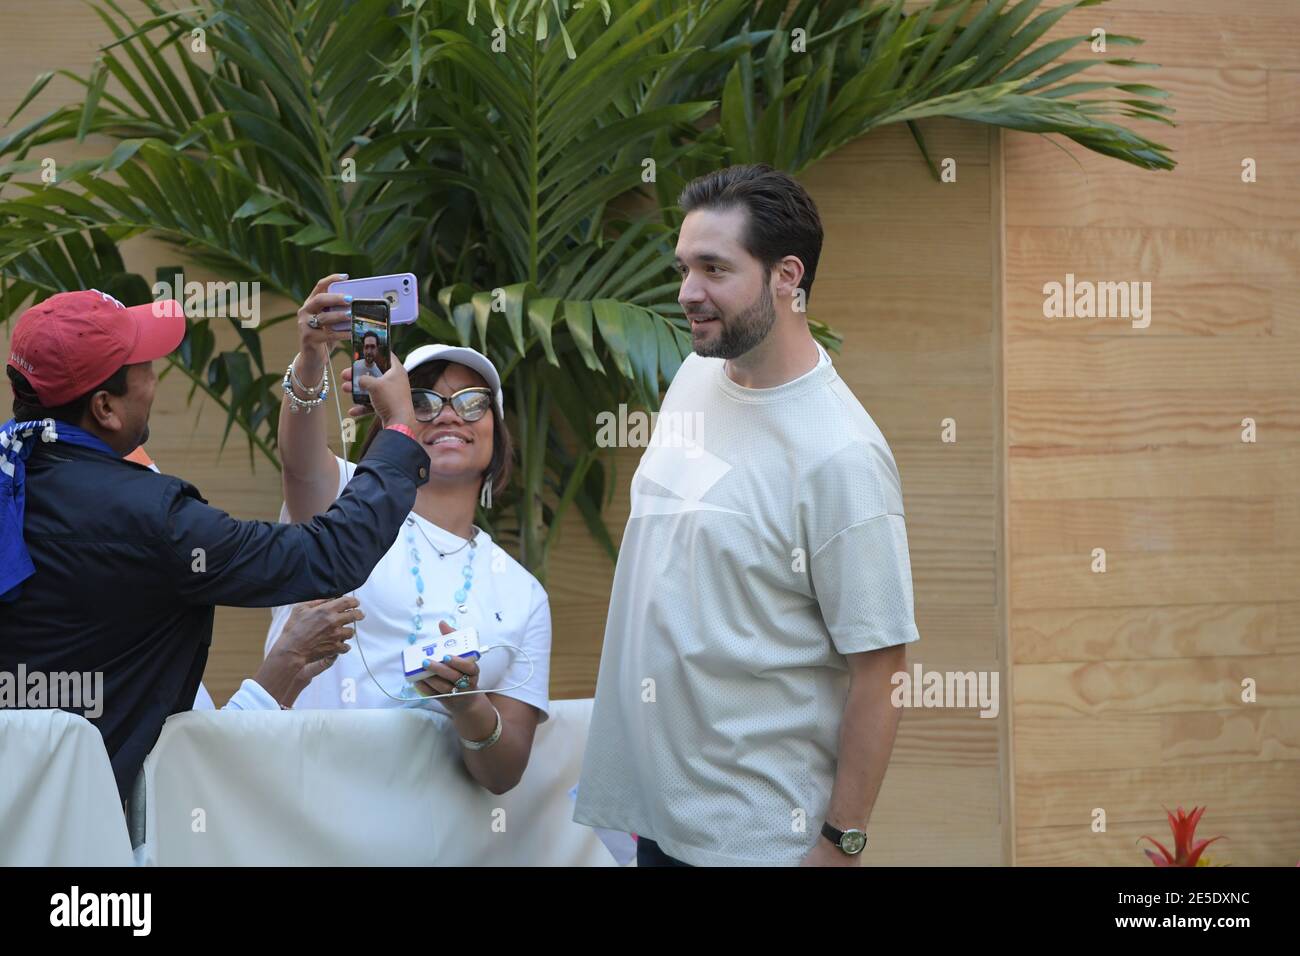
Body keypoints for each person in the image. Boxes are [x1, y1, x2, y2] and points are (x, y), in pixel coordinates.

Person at [573, 164, 921, 866]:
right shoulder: (697, 373)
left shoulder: (842, 457)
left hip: (755, 843)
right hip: (660, 827)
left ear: (787, 276)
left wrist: (841, 845)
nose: (686, 293)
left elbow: (882, 673)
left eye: (713, 269)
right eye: (683, 267)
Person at [0, 288, 431, 801]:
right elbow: (328, 555)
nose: (155, 376)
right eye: (143, 364)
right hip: (90, 836)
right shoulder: (152, 518)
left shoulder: (18, 473)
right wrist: (399, 430)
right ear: (105, 408)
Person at [266, 276, 552, 796]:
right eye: (421, 401)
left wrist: (468, 705)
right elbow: (299, 463)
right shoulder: (350, 496)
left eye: (471, 402)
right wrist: (312, 357)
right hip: (307, 812)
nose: (447, 414)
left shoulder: (523, 592)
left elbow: (505, 773)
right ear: (391, 419)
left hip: (431, 839)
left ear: (497, 431)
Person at [351, 331, 383, 399]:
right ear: (363, 349)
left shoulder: (380, 377)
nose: (369, 351)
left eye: (372, 347)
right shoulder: (355, 365)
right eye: (366, 347)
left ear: (377, 349)